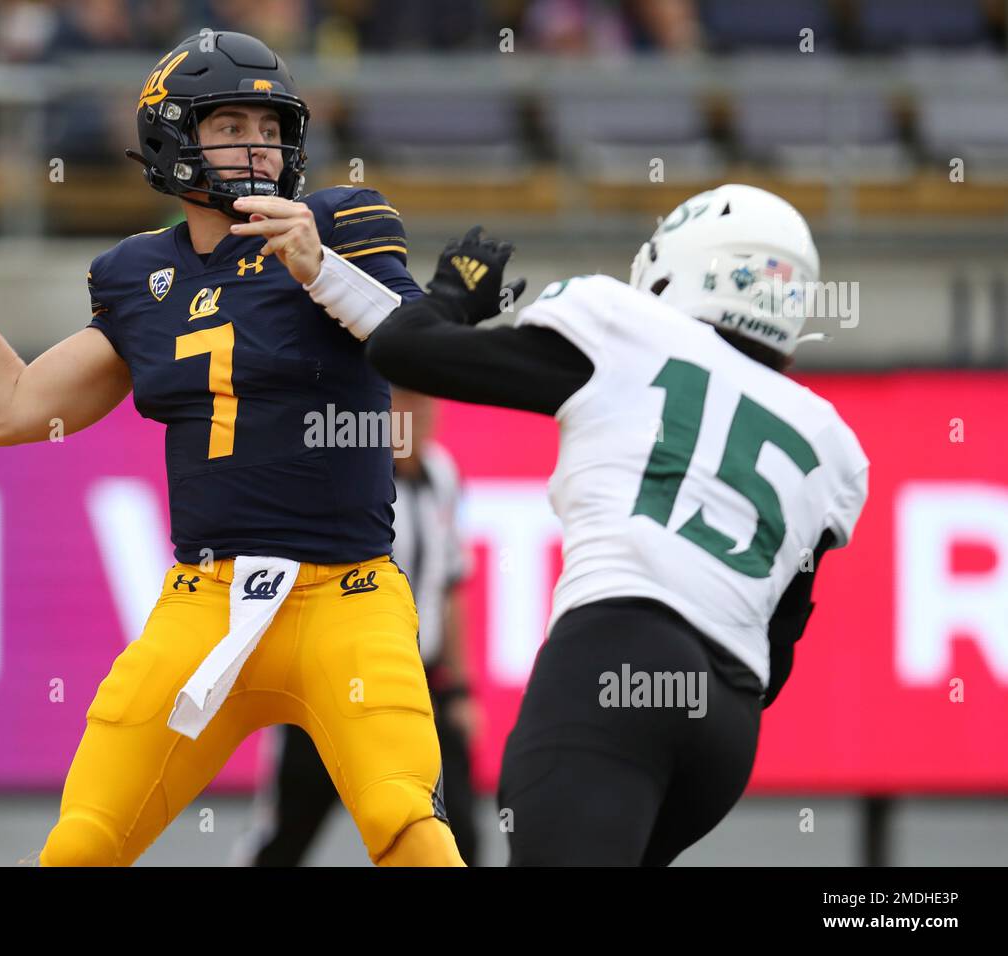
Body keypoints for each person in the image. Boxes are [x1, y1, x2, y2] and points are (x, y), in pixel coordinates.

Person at [0, 30, 463, 866]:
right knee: (82, 843)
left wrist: (323, 273)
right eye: (232, 124)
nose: (259, 145)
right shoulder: (138, 276)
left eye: (270, 127)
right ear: (175, 138)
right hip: (205, 599)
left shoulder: (340, 222)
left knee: (405, 823)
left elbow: (422, 349)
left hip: (348, 594)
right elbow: (10, 409)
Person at [364, 184, 869, 865]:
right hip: (725, 728)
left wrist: (457, 292)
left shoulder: (627, 328)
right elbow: (777, 657)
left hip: (617, 660)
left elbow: (404, 351)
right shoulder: (828, 440)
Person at [234, 387, 481, 866]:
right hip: (333, 679)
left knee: (459, 832)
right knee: (287, 831)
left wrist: (461, 690)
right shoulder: (345, 477)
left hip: (414, 683)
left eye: (426, 403)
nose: (419, 415)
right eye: (405, 403)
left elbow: (450, 585)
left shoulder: (443, 476)